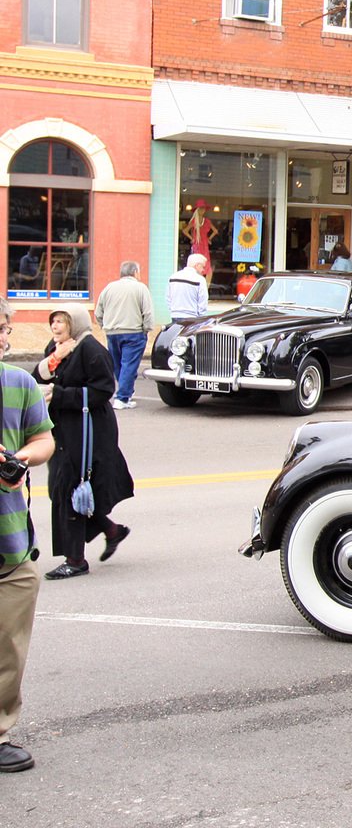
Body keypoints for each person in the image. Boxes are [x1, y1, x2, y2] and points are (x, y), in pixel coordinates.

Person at [34, 305, 133, 581]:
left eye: (61, 321)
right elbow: (37, 378)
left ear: (74, 323)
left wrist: (59, 394)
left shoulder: (91, 350)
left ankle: (75, 560)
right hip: (62, 430)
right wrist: (54, 358)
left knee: (68, 488)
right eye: (53, 321)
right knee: (61, 490)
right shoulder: (58, 348)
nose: (55, 327)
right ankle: (111, 530)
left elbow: (103, 390)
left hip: (88, 432)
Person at [0, 300, 56, 773]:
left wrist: (23, 458)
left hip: (10, 542)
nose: (5, 336)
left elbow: (44, 439)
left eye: (5, 327)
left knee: (8, 647)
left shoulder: (18, 383)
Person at [94, 261, 155, 410]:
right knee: (129, 365)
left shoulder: (109, 288)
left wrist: (104, 325)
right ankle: (122, 397)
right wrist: (146, 328)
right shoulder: (141, 288)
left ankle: (126, 391)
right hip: (134, 332)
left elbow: (98, 312)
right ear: (135, 272)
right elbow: (147, 312)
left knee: (118, 365)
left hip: (112, 332)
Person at [166, 253, 209, 321]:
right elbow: (202, 302)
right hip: (192, 317)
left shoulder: (172, 277)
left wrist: (173, 310)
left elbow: (168, 297)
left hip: (175, 315)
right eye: (203, 267)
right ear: (197, 265)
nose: (203, 270)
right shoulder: (200, 280)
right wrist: (201, 318)